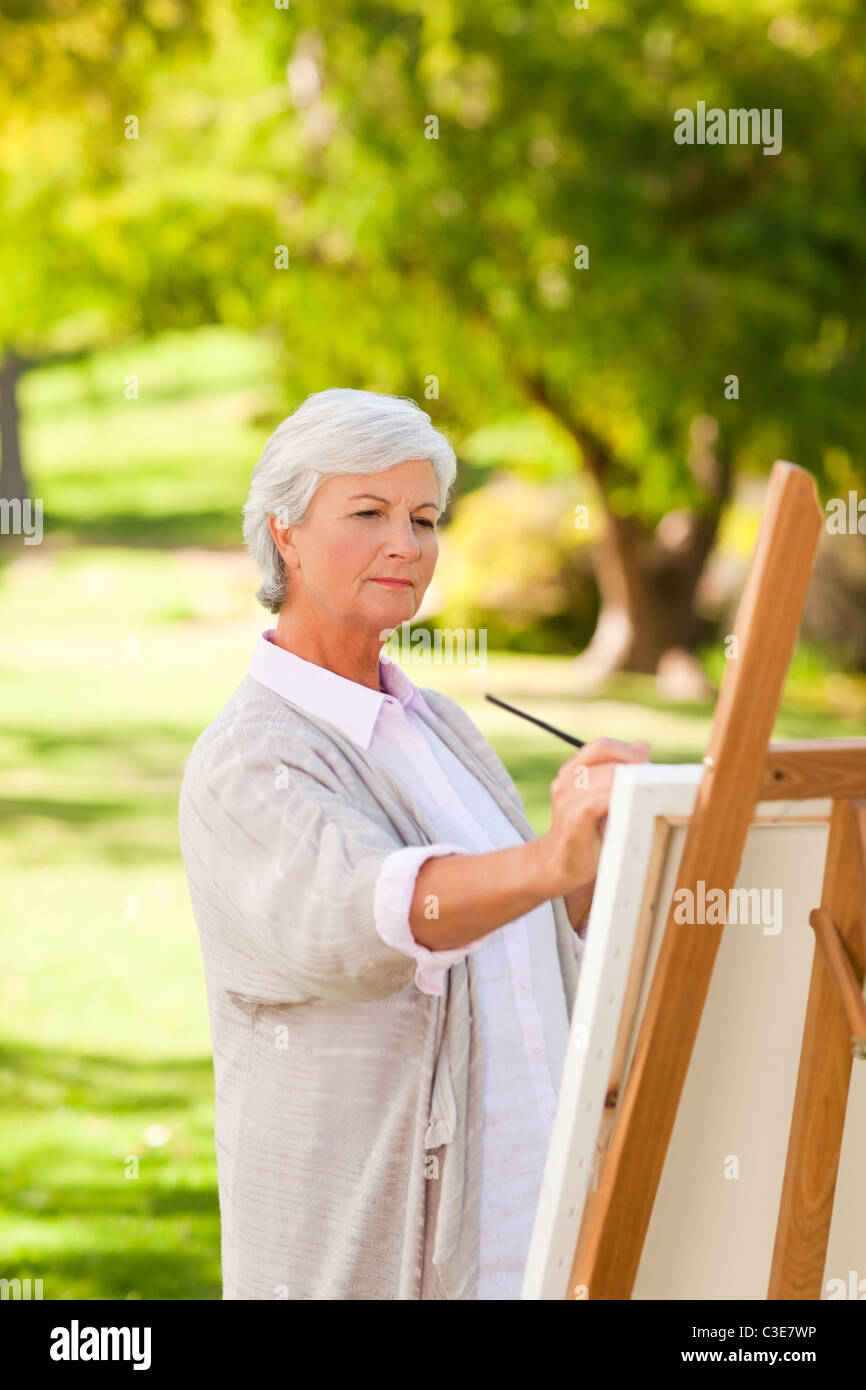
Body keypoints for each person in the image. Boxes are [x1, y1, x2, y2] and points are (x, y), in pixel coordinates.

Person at [178, 387, 650, 1300]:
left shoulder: (439, 728)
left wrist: (600, 852)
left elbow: (539, 934)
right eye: (370, 513)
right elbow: (363, 916)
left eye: (426, 518)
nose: (408, 543)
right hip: (365, 1247)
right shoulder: (248, 758)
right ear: (285, 532)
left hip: (523, 1217)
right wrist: (548, 857)